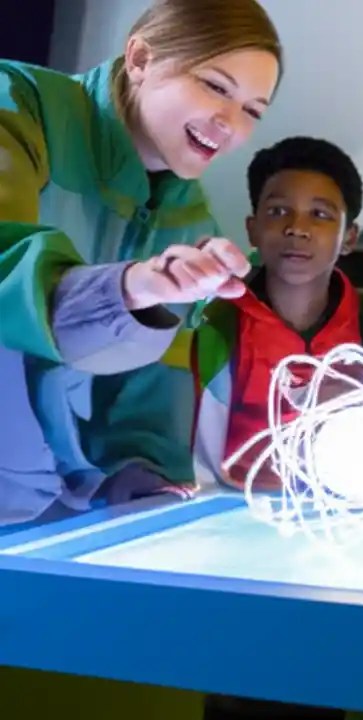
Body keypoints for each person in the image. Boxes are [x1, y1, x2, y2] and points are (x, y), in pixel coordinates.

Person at [0, 0, 279, 525]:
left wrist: (142, 468)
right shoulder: (18, 104)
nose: (229, 123)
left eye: (253, 110)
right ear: (141, 57)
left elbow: (157, 378)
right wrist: (126, 289)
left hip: (46, 509)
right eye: (216, 86)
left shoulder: (191, 225)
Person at [191, 136, 363, 491]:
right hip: (232, 511)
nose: (296, 228)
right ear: (252, 228)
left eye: (320, 214)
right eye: (278, 211)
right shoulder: (215, 323)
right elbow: (198, 463)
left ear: (349, 237)